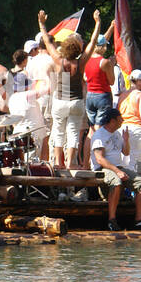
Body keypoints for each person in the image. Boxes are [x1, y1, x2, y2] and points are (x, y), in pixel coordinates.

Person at [38, 9, 88, 170]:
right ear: (79, 49)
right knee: (73, 133)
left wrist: (41, 23)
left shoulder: (59, 60)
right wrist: (98, 25)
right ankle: (70, 163)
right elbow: (93, 44)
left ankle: (58, 162)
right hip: (76, 102)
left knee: (58, 131)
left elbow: (47, 42)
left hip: (60, 101)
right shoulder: (80, 63)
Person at [91, 108, 141, 231]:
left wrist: (126, 140)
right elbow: (100, 159)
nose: (122, 121)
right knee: (117, 182)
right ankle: (112, 220)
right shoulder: (100, 135)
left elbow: (126, 152)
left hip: (118, 167)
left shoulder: (117, 133)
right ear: (112, 121)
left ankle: (139, 220)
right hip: (103, 168)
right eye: (120, 119)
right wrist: (117, 171)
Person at [83, 12, 116, 129]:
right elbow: (111, 81)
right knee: (100, 127)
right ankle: (98, 147)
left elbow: (100, 39)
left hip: (90, 95)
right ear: (103, 47)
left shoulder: (85, 58)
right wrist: (112, 65)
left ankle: (90, 147)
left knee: (91, 128)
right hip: (102, 95)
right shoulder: (105, 62)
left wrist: (111, 27)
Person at [118, 69, 141, 172]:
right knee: (136, 162)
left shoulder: (122, 95)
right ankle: (136, 185)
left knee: (124, 160)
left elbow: (117, 113)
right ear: (139, 81)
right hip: (138, 130)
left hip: (123, 128)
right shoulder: (140, 95)